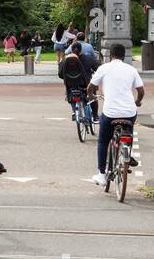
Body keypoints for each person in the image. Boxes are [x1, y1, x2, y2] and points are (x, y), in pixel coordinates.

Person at [86, 43, 144, 186]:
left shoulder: (103, 68)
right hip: (129, 112)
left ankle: (101, 174)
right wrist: (137, 101)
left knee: (103, 141)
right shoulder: (131, 70)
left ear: (110, 55)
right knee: (128, 133)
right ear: (124, 56)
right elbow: (141, 91)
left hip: (110, 113)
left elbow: (90, 88)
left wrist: (92, 96)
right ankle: (127, 153)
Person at [58, 43, 94, 120]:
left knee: (70, 93)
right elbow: (97, 68)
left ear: (71, 50)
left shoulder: (65, 59)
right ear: (81, 50)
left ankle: (74, 111)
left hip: (70, 84)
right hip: (84, 83)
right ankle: (95, 115)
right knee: (91, 95)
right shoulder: (88, 58)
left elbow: (60, 74)